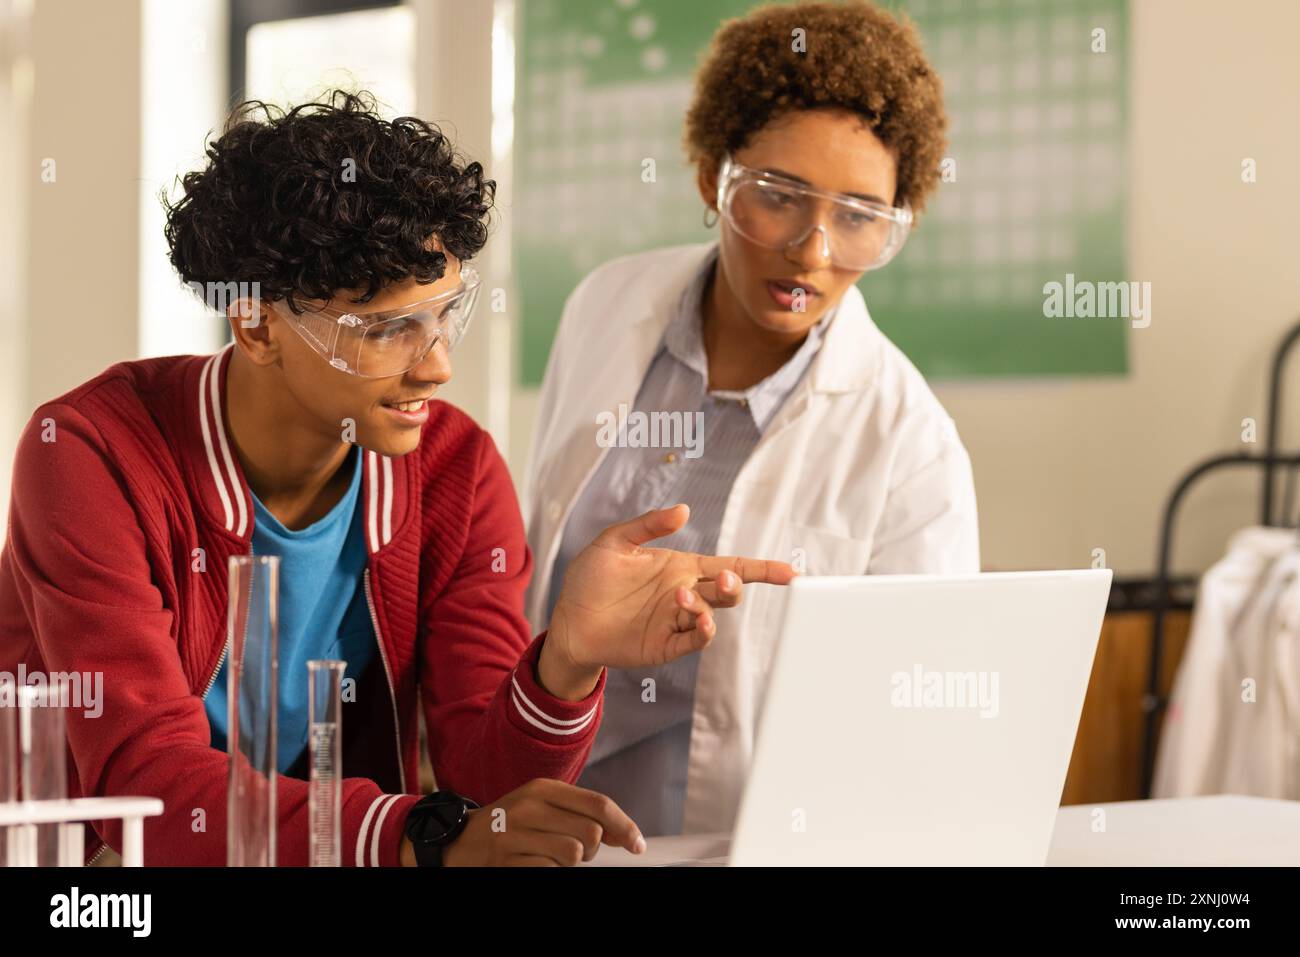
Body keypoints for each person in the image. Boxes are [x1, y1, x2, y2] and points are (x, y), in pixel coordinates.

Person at [0, 91, 794, 866]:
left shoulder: (455, 466)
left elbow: (484, 793)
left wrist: (566, 663)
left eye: (447, 312)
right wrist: (415, 834)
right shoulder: (89, 452)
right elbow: (147, 786)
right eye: (389, 330)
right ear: (258, 324)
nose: (440, 364)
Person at [525, 1, 979, 837]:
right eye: (779, 196)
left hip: (740, 842)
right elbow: (536, 563)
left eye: (858, 216)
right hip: (544, 823)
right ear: (712, 176)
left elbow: (918, 723)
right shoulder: (604, 308)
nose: (813, 249)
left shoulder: (913, 447)